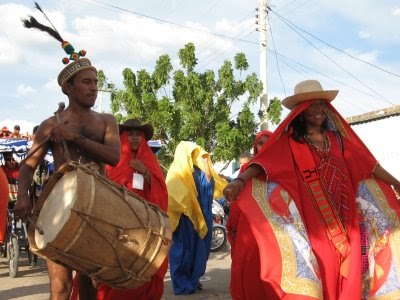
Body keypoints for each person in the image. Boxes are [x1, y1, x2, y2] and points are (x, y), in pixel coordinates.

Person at [223, 79, 400, 299]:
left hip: (345, 215)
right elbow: (263, 165)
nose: (317, 110)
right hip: (313, 217)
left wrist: (396, 182)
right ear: (301, 112)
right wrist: (239, 181)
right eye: (311, 106)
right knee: (325, 263)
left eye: (320, 105)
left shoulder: (338, 140)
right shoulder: (289, 142)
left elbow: (370, 166)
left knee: (353, 265)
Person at [13, 57, 121, 300]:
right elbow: (28, 167)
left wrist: (75, 139)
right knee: (60, 288)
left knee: (89, 285)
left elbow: (114, 157)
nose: (94, 87)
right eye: (86, 82)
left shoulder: (107, 121)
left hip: (98, 208)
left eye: (96, 81)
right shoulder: (50, 125)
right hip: (59, 208)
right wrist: (22, 198)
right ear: (68, 89)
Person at [71, 118, 169, 300]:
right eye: (130, 134)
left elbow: (162, 194)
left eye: (138, 135)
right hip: (113, 229)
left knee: (141, 275)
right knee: (111, 276)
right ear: (123, 137)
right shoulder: (111, 161)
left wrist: (146, 173)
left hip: (144, 230)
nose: (134, 138)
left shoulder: (150, 162)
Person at [166, 141, 228, 295]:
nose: (195, 156)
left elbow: (208, 185)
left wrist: (206, 162)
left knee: (200, 250)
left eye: (196, 153)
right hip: (184, 220)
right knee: (183, 252)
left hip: (201, 217)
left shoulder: (199, 171)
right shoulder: (176, 172)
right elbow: (172, 197)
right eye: (192, 153)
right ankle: (182, 284)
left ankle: (193, 279)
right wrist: (187, 207)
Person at [226, 130, 273, 299]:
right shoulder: (246, 170)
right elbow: (237, 201)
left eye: (268, 141)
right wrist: (234, 226)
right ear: (255, 146)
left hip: (274, 228)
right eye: (260, 142)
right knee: (249, 268)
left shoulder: (282, 168)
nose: (264, 145)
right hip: (249, 228)